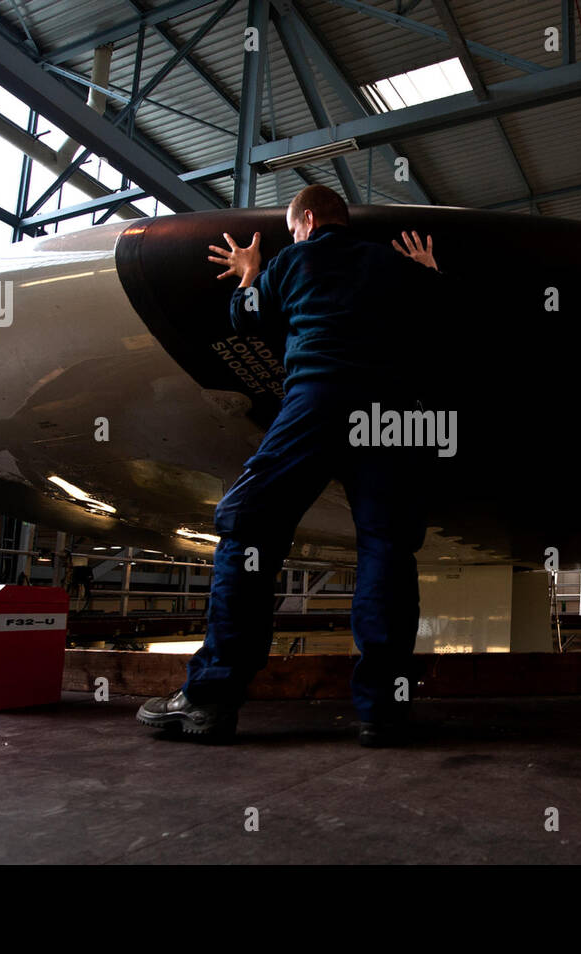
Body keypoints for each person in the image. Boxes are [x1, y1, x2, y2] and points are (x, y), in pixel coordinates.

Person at [137, 185, 446, 746]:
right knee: (387, 548)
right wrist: (427, 271)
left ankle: (211, 699)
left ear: (305, 220)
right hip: (390, 417)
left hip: (317, 403)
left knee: (248, 524)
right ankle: (383, 711)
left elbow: (242, 317)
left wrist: (251, 271)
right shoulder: (387, 263)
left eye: (293, 227)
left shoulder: (295, 258)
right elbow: (436, 317)